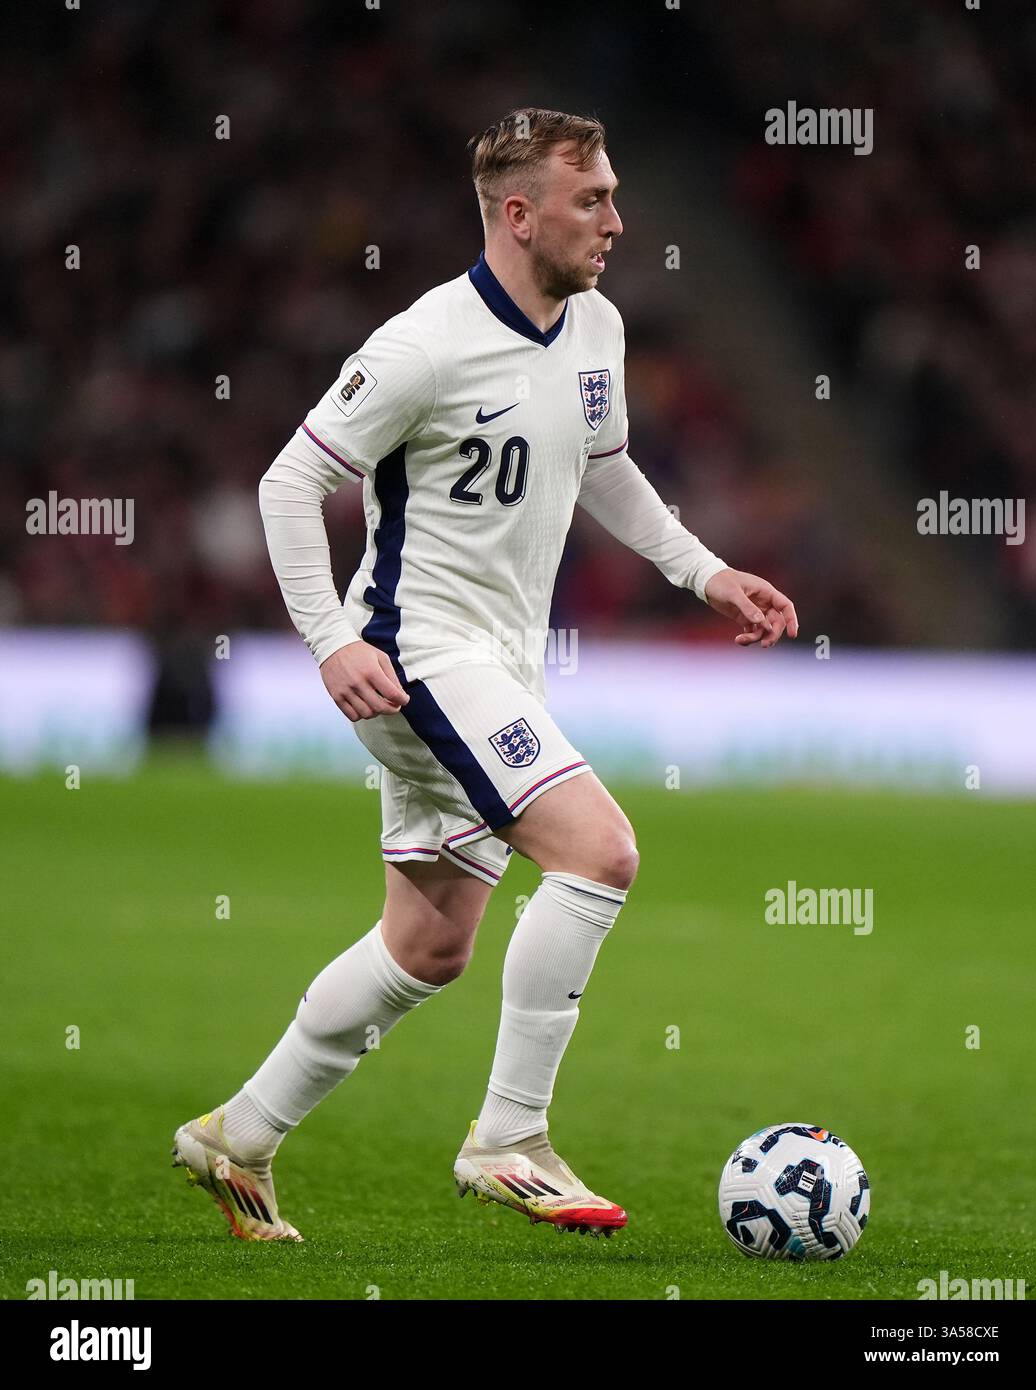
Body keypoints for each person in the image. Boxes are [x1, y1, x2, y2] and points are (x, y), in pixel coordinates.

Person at [172, 107, 798, 1241]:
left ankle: (238, 1135)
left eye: (611, 192)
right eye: (591, 198)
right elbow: (286, 485)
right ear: (519, 214)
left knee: (427, 946)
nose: (616, 218)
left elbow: (603, 468)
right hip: (418, 655)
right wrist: (329, 639)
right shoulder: (425, 343)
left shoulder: (595, 326)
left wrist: (701, 572)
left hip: (497, 664)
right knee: (599, 852)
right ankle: (508, 1136)